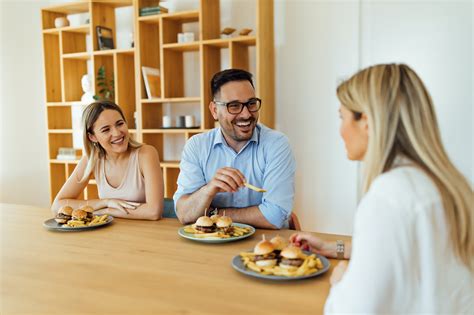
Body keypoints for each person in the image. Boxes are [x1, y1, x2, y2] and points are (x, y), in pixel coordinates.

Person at [290, 64, 473, 313]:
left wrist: (340, 281)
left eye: (342, 117)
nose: (340, 130)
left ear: (365, 121)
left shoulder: (389, 196)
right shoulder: (445, 184)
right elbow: (414, 253)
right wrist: (335, 248)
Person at [173, 69, 296, 229]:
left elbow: (274, 216)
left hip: (265, 245)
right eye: (234, 106)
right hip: (212, 245)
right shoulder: (196, 146)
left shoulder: (277, 144)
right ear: (214, 110)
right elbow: (184, 214)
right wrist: (209, 190)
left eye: (251, 103)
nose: (246, 114)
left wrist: (212, 213)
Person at [51, 101, 164, 220]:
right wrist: (106, 202)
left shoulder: (146, 154)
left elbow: (153, 212)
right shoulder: (92, 160)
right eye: (106, 130)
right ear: (92, 137)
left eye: (120, 124)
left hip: (144, 232)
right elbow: (57, 206)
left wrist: (107, 211)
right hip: (109, 233)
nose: (117, 133)